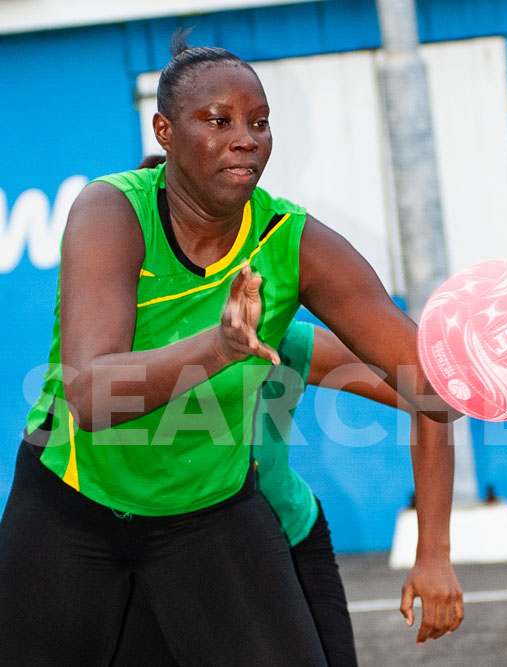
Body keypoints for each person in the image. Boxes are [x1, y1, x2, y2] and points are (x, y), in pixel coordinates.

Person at [0, 34, 462, 665]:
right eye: (218, 121)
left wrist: (475, 365)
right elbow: (90, 395)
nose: (246, 138)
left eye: (260, 123)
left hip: (207, 519)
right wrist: (217, 348)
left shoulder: (292, 243)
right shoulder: (111, 210)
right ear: (164, 130)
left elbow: (430, 390)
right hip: (70, 512)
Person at [112, 318, 433, 666]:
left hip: (291, 538)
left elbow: (429, 398)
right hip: (176, 551)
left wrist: (434, 555)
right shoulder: (142, 342)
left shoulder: (288, 340)